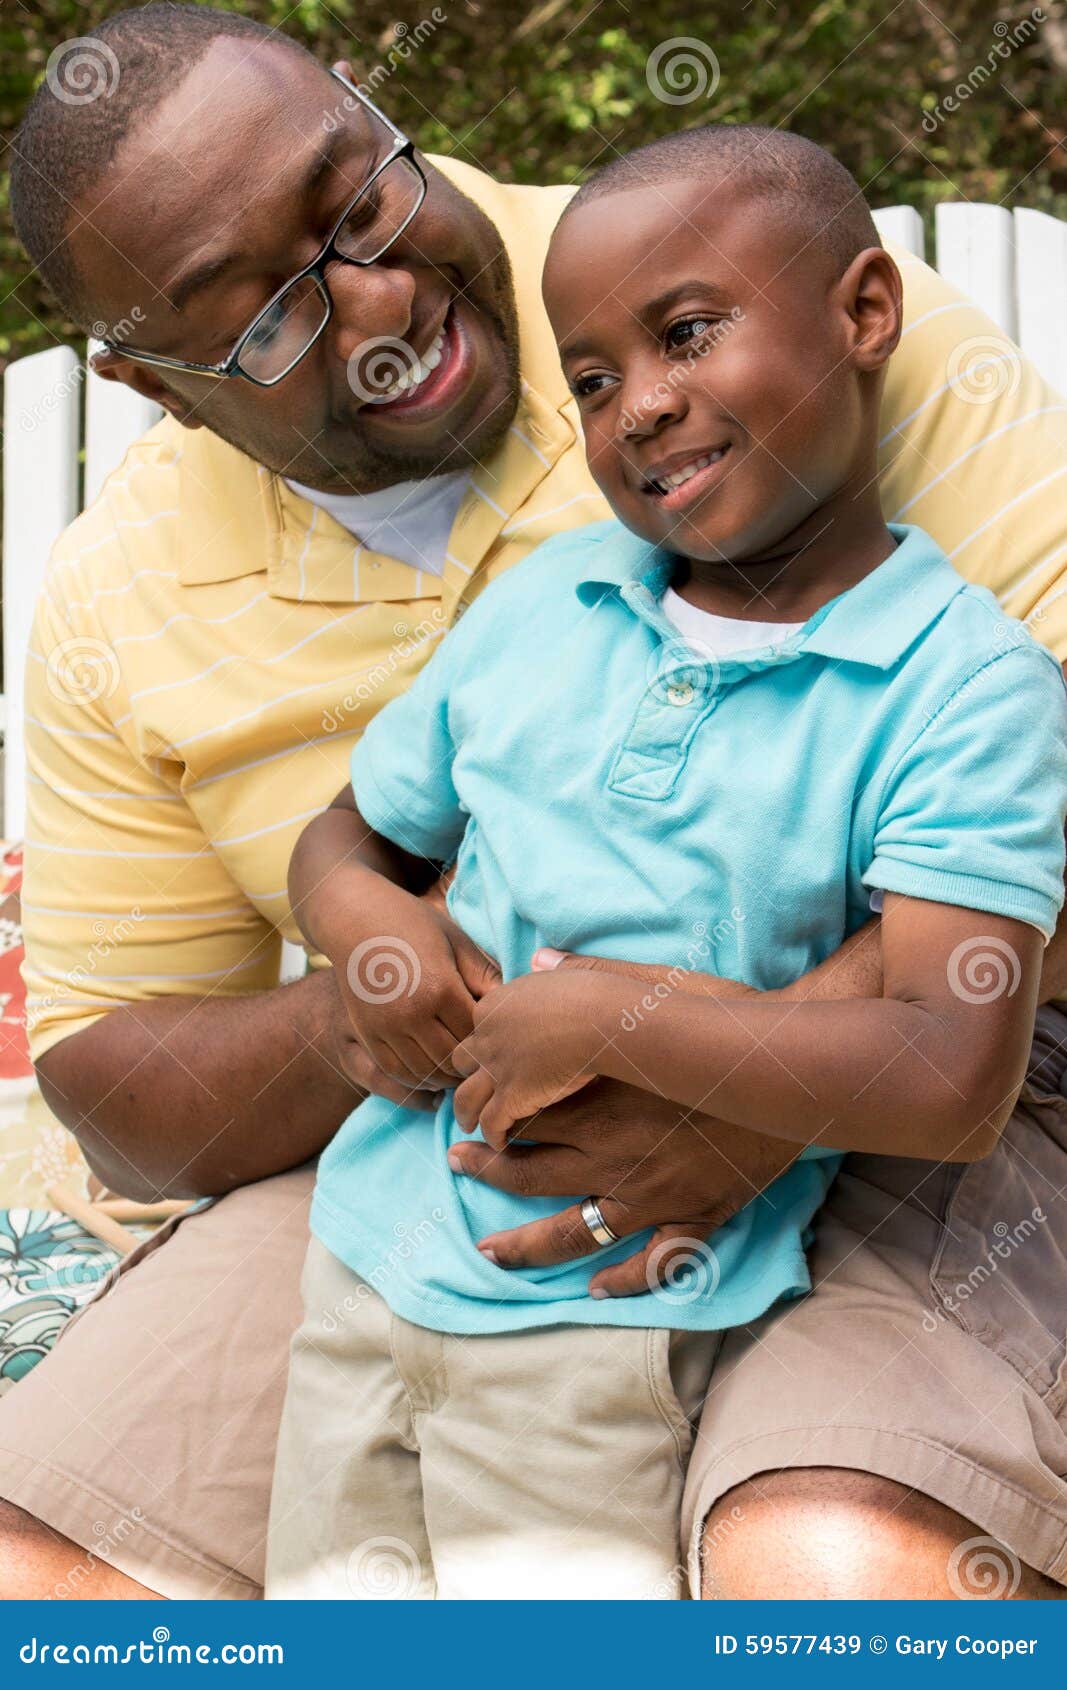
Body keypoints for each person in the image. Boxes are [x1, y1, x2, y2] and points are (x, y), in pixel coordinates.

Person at [2, 2, 1067, 1601]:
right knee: (48, 1589)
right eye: (269, 314)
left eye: (356, 200)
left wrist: (716, 1074)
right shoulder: (120, 588)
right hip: (405, 1168)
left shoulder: (741, 274)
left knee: (838, 1576)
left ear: (368, 103)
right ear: (151, 383)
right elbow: (108, 1073)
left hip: (933, 1138)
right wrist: (378, 1001)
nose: (377, 297)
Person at [264, 128, 1066, 1599]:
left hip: (601, 1319)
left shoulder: (967, 690)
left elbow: (954, 1072)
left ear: (863, 313)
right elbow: (353, 831)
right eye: (591, 378)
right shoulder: (551, 599)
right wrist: (366, 924)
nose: (642, 406)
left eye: (688, 333)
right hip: (367, 1261)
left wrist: (612, 1021)